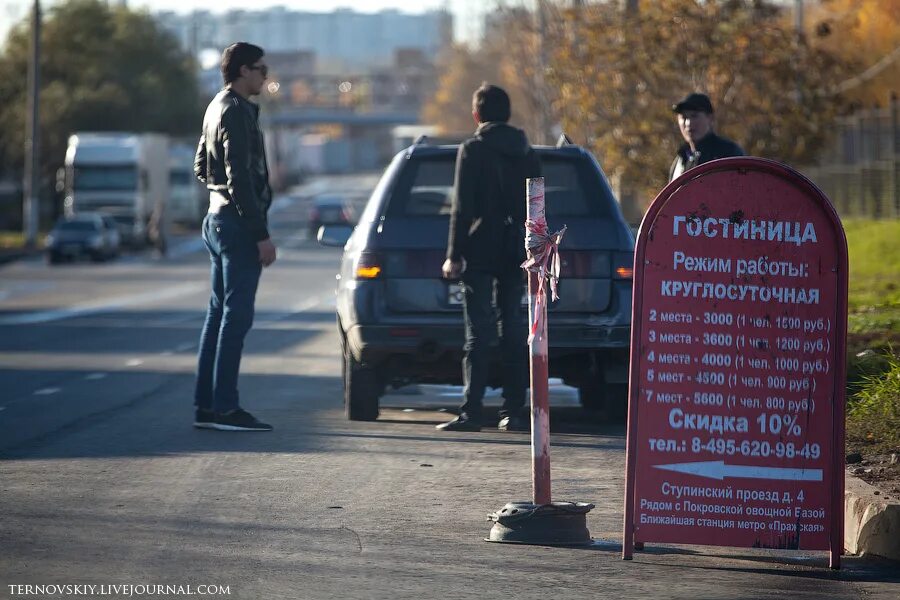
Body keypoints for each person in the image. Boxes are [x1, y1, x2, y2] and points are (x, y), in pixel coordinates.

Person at [437, 84, 541, 433]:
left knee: (478, 334)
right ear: (508, 114)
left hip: (480, 251)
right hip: (517, 251)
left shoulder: (472, 150)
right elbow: (536, 201)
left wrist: (453, 255)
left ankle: (472, 412)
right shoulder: (526, 151)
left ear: (476, 114)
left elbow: (462, 208)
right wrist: (536, 246)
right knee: (514, 330)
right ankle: (514, 411)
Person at [192, 42, 277, 432]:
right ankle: (226, 408)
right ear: (243, 70)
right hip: (238, 225)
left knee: (217, 316)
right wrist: (260, 233)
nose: (265, 75)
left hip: (215, 219)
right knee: (235, 318)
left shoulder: (215, 106)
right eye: (260, 69)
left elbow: (200, 166)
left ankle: (206, 407)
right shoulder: (237, 111)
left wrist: (219, 195)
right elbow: (239, 174)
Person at [669, 93, 744, 182]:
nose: (688, 123)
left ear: (710, 119)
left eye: (694, 116)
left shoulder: (728, 153)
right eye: (684, 117)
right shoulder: (680, 159)